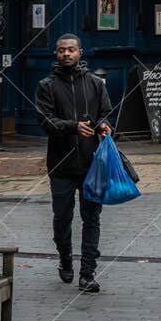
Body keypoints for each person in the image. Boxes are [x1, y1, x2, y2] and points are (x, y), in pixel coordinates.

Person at [36, 34, 112, 294]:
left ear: (80, 52)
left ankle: (87, 273)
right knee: (62, 218)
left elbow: (106, 113)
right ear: (56, 54)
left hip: (93, 164)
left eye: (71, 50)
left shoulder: (95, 83)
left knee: (92, 219)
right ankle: (65, 257)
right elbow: (46, 121)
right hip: (61, 165)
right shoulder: (46, 86)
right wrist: (73, 127)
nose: (66, 54)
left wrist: (104, 126)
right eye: (61, 51)